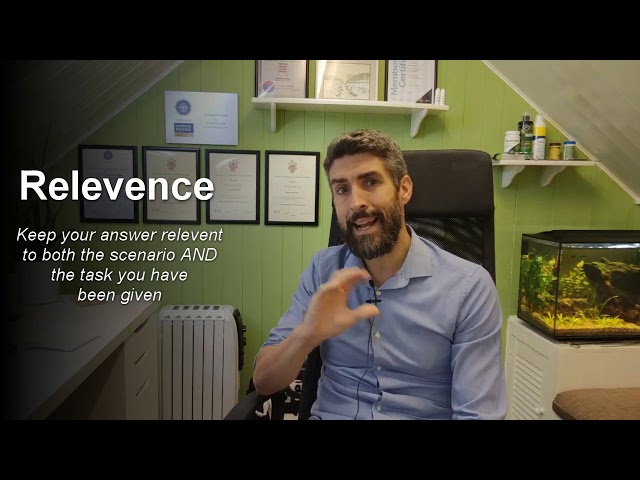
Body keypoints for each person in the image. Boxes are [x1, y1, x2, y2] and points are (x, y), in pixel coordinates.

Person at [253, 129, 507, 420]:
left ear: (404, 189)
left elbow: (478, 414)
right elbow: (264, 382)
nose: (356, 202)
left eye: (370, 182)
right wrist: (307, 335)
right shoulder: (323, 272)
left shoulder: (469, 287)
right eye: (342, 189)